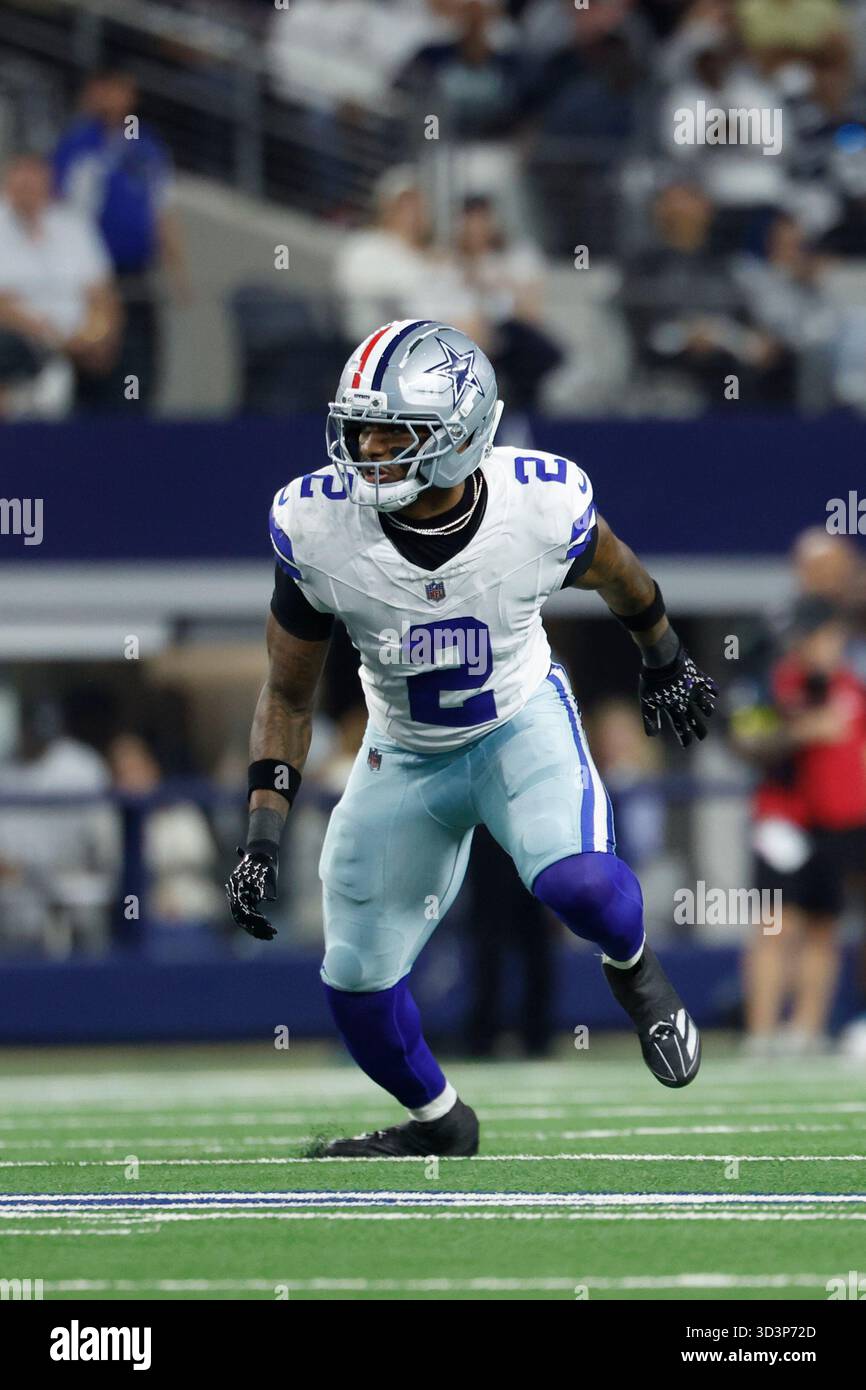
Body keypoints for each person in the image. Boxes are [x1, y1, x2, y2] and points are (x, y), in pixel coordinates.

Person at [225, 319, 717, 1158]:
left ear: (458, 435)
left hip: (518, 723)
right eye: (361, 428)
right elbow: (289, 693)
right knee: (353, 978)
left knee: (581, 886)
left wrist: (664, 656)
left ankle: (635, 969)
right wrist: (262, 834)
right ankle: (440, 1121)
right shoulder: (318, 526)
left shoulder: (537, 506)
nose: (367, 449)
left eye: (393, 432)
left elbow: (622, 575)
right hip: (403, 752)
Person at [53, 70, 187, 410]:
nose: (113, 98)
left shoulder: (147, 147)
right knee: (94, 352)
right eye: (106, 90)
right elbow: (59, 208)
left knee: (140, 357)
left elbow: (162, 211)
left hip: (135, 272)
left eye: (120, 90)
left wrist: (177, 270)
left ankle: (136, 419)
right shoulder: (77, 145)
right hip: (91, 277)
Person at [0, 153, 121, 417]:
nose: (29, 192)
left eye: (35, 184)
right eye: (22, 185)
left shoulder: (74, 227)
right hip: (21, 342)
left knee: (121, 366)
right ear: (8, 186)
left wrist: (96, 334)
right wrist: (52, 338)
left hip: (81, 341)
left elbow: (102, 294)